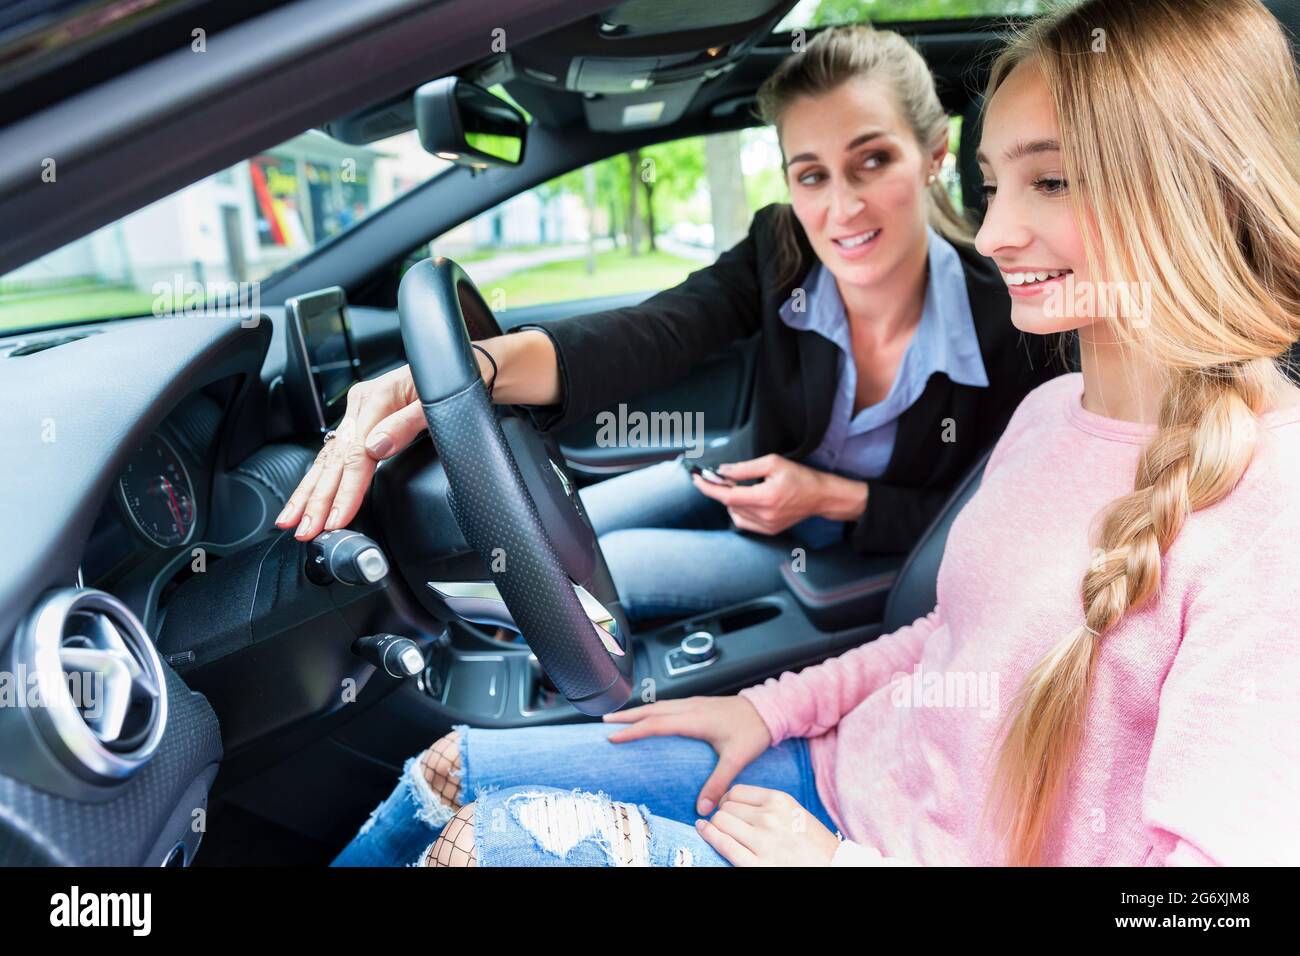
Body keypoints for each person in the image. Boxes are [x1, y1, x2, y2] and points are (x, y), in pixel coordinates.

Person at [331, 0, 1300, 867]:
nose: (996, 233)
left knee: (480, 847)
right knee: (451, 772)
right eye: (994, 185)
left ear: (1188, 185)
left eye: (1046, 182)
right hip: (837, 764)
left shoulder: (1266, 512)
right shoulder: (1056, 409)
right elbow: (946, 636)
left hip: (852, 840)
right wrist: (767, 706)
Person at [275, 24, 1067, 623]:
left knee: (590, 576)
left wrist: (831, 498)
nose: (842, 207)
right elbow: (654, 332)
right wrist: (460, 375)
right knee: (555, 540)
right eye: (811, 175)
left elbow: (986, 518)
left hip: (836, 553)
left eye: (874, 161)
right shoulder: (778, 245)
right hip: (735, 474)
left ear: (931, 155)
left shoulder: (1011, 323)